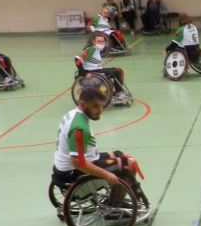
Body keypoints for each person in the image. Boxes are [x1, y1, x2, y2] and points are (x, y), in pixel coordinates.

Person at [51, 85, 150, 216]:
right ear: (82, 104)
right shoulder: (79, 128)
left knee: (120, 155)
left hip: (67, 166)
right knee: (128, 164)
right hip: (72, 172)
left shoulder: (73, 114)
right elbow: (78, 163)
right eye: (95, 106)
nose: (100, 110)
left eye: (101, 106)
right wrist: (106, 174)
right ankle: (114, 208)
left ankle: (117, 196)